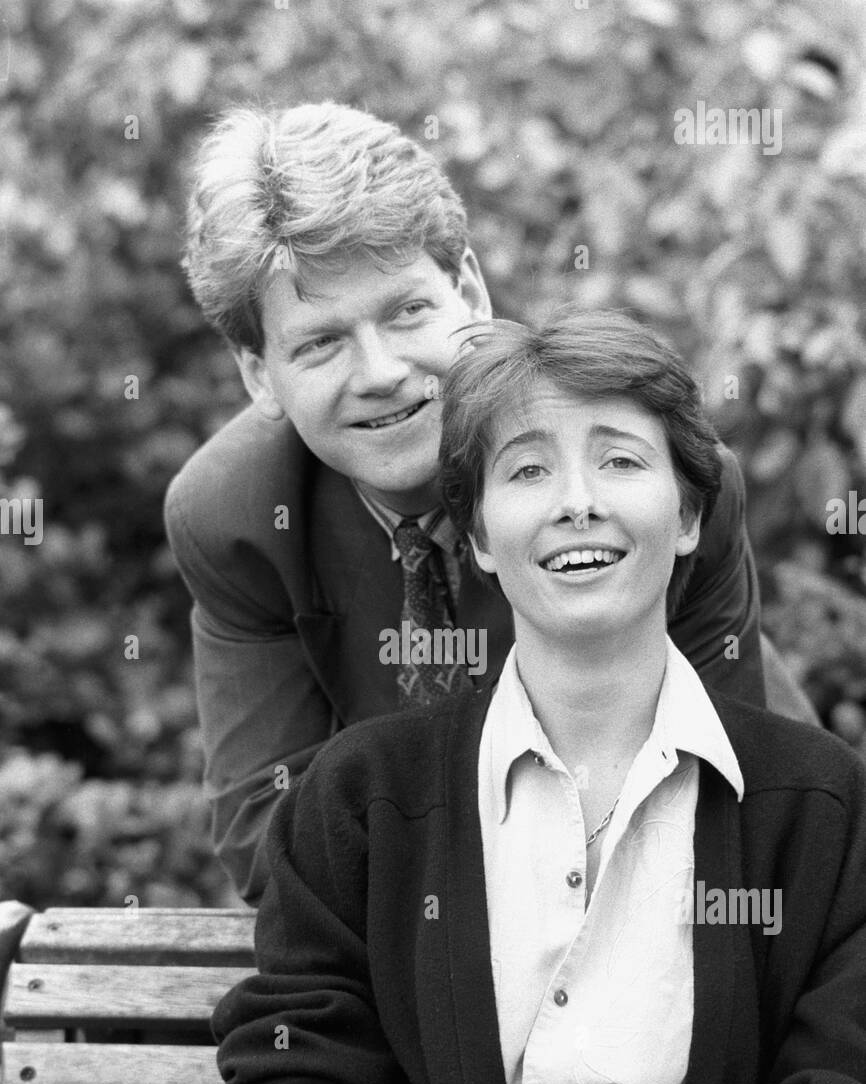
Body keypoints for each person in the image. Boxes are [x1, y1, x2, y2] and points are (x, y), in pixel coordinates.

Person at [211, 310, 866, 1084]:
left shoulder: (816, 806)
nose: (574, 503)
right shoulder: (361, 795)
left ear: (688, 514)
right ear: (475, 536)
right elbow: (287, 1083)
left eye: (617, 462)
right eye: (525, 472)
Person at [164, 101, 814, 907]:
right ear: (259, 373)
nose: (380, 371)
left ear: (468, 288)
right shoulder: (235, 518)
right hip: (427, 925)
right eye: (319, 342)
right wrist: (469, 945)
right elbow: (269, 831)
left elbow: (733, 807)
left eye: (406, 311)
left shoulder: (649, 477)